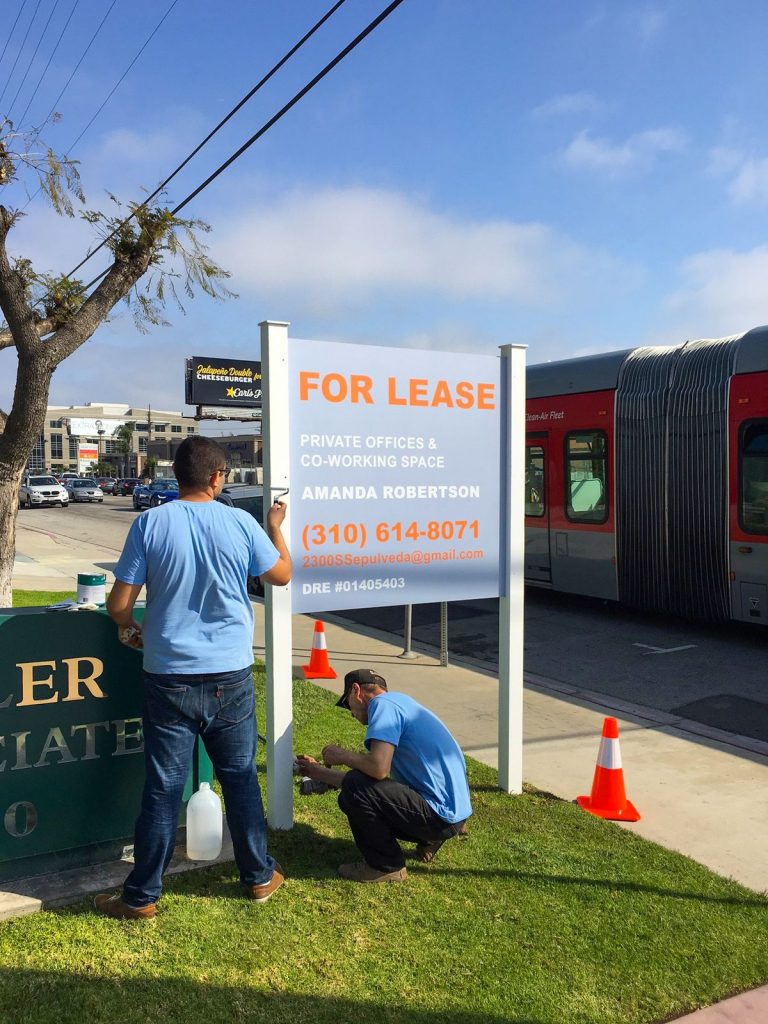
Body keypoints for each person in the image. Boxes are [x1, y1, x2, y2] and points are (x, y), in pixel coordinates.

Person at [95, 435, 291, 920]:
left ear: (175, 475)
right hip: (231, 675)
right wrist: (275, 527)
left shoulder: (151, 523)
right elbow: (281, 574)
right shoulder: (241, 523)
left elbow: (118, 604)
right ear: (218, 477)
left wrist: (129, 627)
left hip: (169, 676)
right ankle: (259, 876)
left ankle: (141, 897)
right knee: (241, 779)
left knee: (162, 788)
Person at [296, 668, 472, 883]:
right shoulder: (404, 703)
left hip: (440, 815)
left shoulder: (382, 704)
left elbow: (377, 769)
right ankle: (429, 841)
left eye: (347, 704)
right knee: (351, 793)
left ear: (356, 691)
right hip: (454, 814)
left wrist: (342, 755)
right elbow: (375, 788)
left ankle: (385, 866)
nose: (351, 713)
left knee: (354, 786)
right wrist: (319, 773)